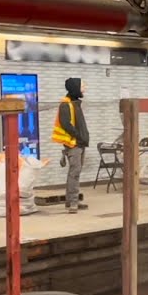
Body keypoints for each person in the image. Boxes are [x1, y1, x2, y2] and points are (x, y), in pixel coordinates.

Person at [52, 77, 90, 214]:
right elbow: (66, 124)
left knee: (76, 173)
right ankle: (73, 202)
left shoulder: (75, 103)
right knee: (74, 173)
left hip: (79, 143)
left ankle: (71, 200)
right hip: (73, 144)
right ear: (75, 87)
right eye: (82, 86)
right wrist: (79, 137)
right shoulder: (66, 104)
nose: (85, 88)